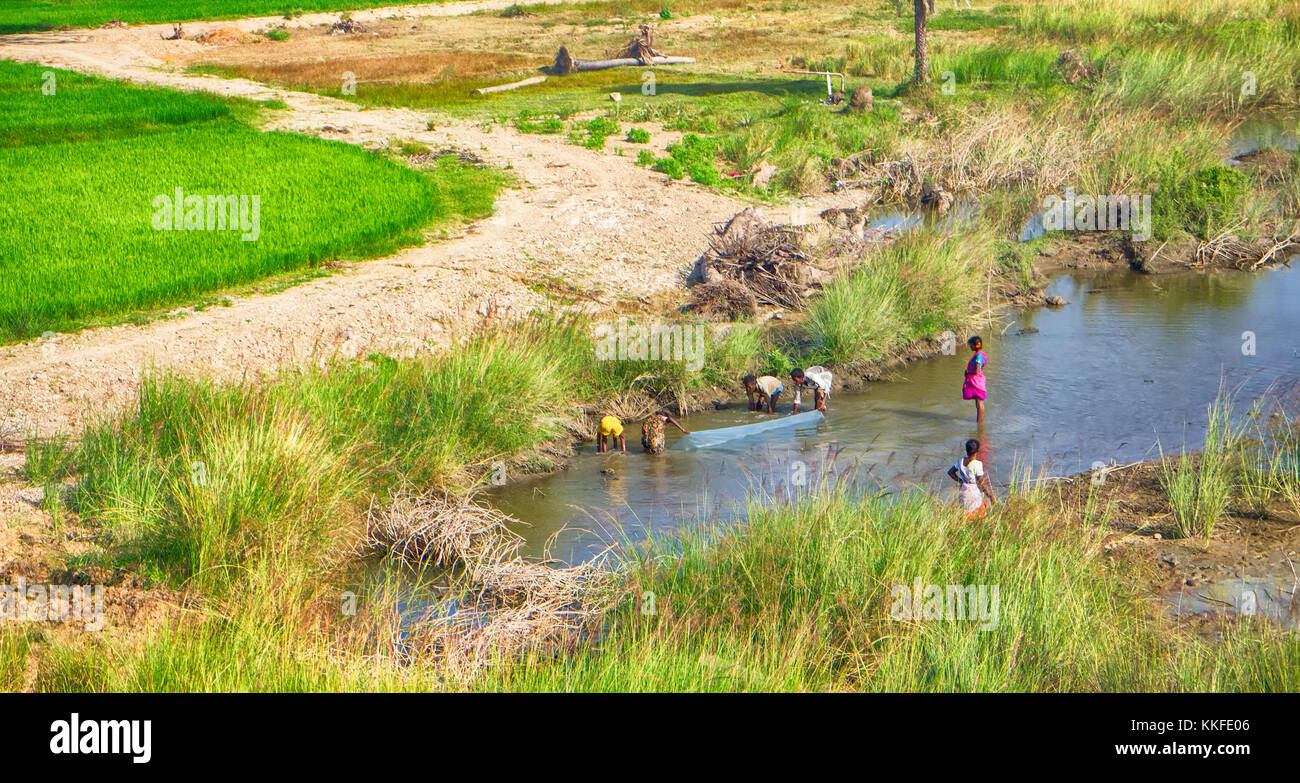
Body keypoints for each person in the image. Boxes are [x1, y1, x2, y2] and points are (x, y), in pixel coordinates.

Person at [947, 439, 996, 519]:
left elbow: (950, 472)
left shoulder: (960, 462)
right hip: (973, 492)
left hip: (964, 490)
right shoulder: (977, 464)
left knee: (966, 511)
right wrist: (991, 496)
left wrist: (961, 481)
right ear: (977, 451)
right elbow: (982, 484)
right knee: (978, 512)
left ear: (966, 450)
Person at [962, 336, 988, 423]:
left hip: (977, 382)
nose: (970, 347)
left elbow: (977, 371)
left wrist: (967, 371)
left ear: (975, 345)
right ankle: (979, 422)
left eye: (971, 345)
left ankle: (980, 424)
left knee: (980, 403)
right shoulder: (981, 354)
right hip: (977, 381)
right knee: (978, 402)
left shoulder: (978, 356)